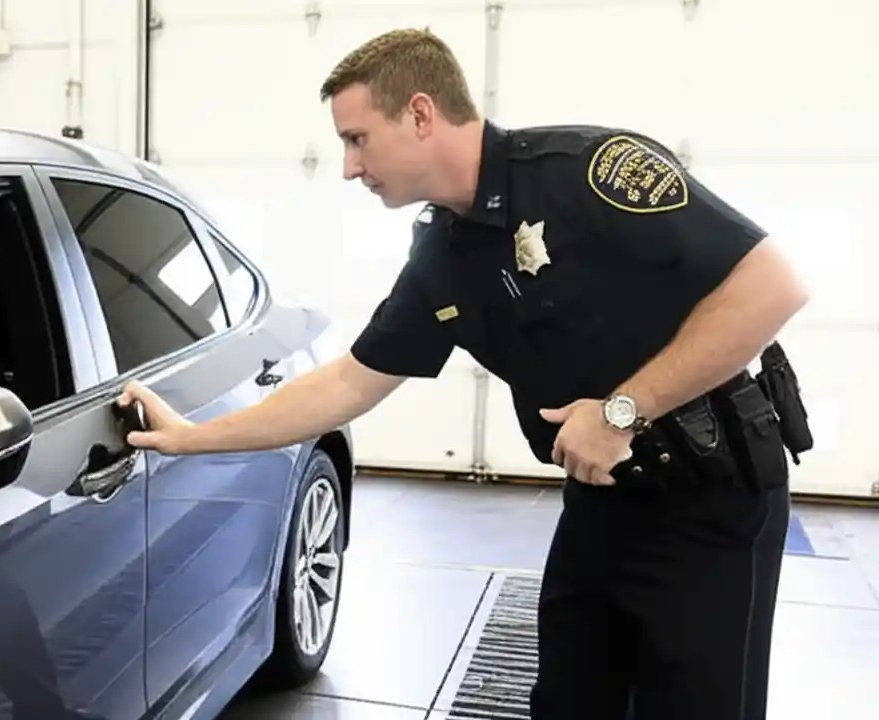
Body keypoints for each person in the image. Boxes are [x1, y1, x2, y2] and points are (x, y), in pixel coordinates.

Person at [117, 27, 810, 720]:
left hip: (712, 499)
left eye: (357, 139)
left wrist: (619, 411)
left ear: (420, 114)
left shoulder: (588, 171)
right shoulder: (444, 254)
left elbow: (772, 286)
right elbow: (348, 384)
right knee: (569, 703)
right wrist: (189, 436)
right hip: (602, 504)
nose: (350, 168)